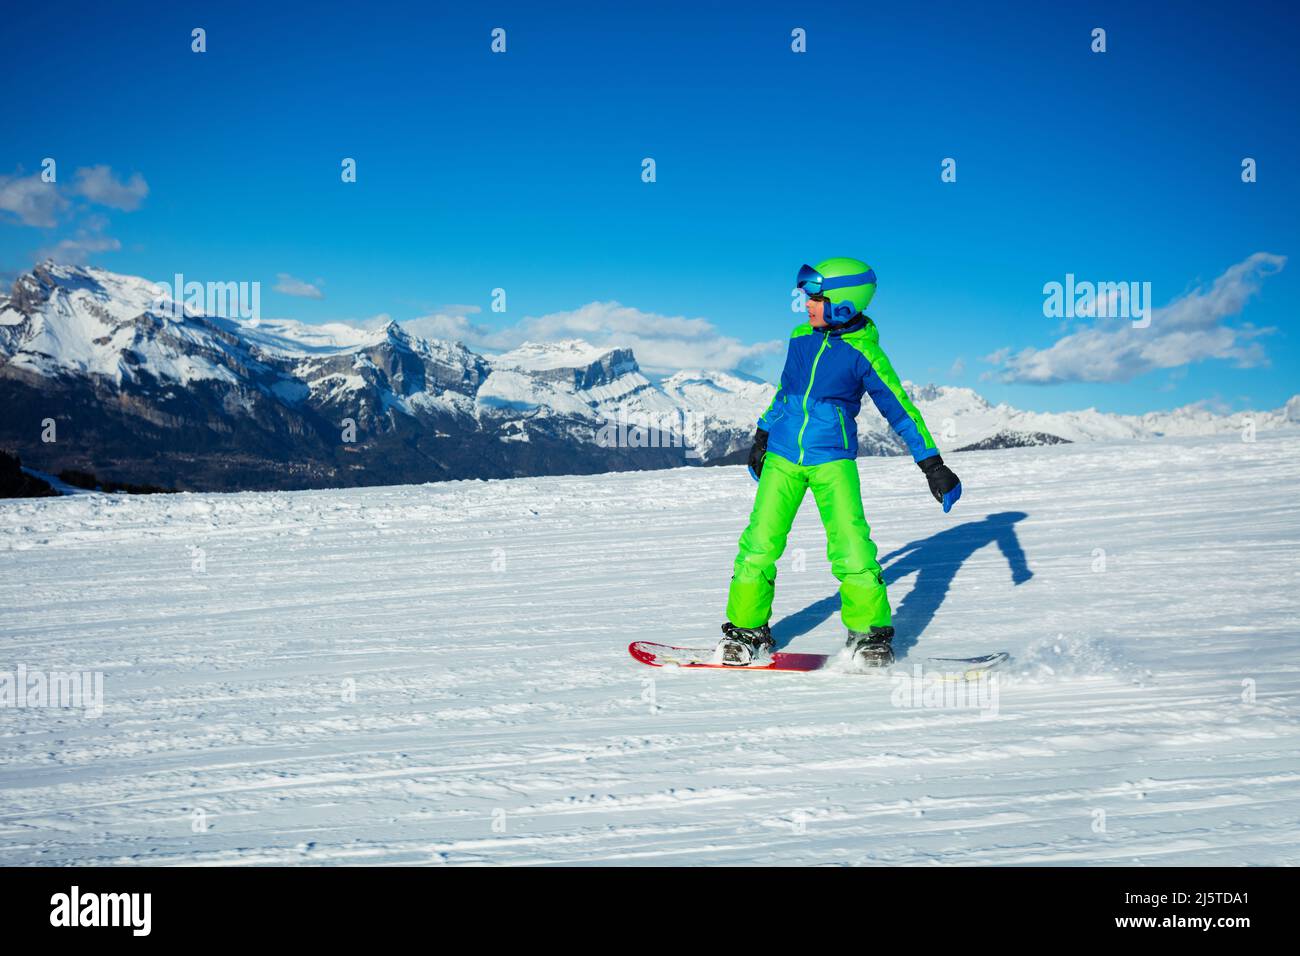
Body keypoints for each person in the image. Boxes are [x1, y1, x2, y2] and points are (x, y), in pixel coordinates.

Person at [718, 257, 961, 667]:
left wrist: (931, 464)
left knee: (851, 548)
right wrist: (762, 434)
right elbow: (785, 394)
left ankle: (869, 636)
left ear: (844, 302)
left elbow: (901, 412)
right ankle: (747, 631)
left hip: (832, 460)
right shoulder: (799, 338)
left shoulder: (864, 354)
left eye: (816, 297)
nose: (806, 304)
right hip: (782, 458)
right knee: (758, 545)